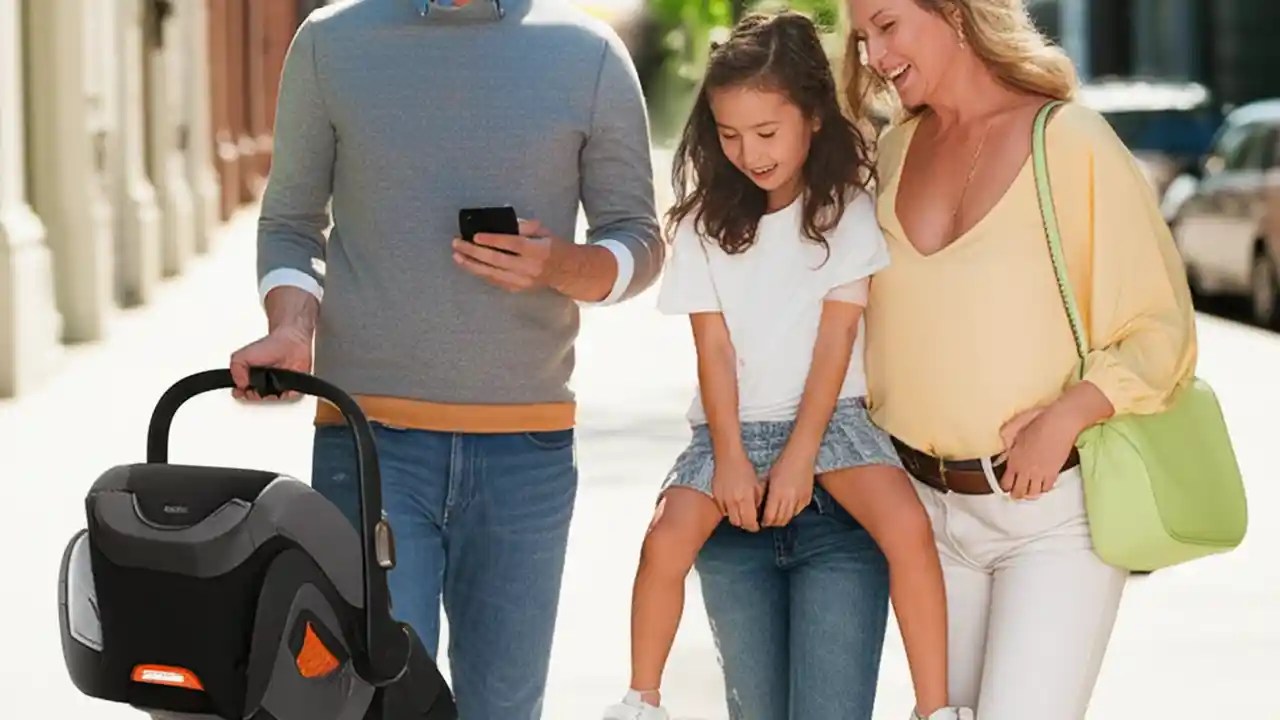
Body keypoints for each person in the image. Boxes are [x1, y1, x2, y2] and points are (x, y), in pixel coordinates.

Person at [227, 0, 663, 717]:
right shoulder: (330, 43)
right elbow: (291, 223)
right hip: (368, 449)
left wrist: (561, 265)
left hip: (525, 454)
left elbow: (638, 239)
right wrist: (292, 326)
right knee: (376, 705)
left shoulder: (588, 53)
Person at [605, 12, 969, 720]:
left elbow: (836, 342)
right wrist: (730, 457)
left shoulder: (846, 212)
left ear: (813, 117)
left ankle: (936, 709)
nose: (749, 152)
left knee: (906, 527)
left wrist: (801, 456)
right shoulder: (701, 227)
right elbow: (713, 352)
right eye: (730, 135)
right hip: (729, 427)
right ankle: (641, 701)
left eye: (767, 133)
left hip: (833, 422)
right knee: (665, 538)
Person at [845, 1, 1198, 718]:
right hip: (924, 520)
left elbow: (1161, 329)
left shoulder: (1069, 141)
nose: (875, 57)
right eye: (862, 40)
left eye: (887, 26)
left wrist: (1068, 414)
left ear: (953, 12)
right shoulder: (893, 152)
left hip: (1050, 518)